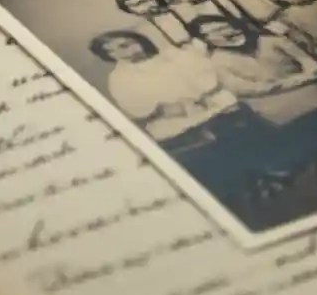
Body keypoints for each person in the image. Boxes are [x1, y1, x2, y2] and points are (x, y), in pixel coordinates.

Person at [190, 15, 317, 182]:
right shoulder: (217, 61)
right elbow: (247, 89)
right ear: (205, 40)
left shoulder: (270, 40)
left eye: (225, 27)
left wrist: (307, 74)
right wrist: (300, 79)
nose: (225, 33)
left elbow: (309, 62)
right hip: (273, 101)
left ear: (237, 25)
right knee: (304, 116)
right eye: (213, 33)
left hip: (311, 87)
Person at [92, 30, 266, 202]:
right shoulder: (119, 78)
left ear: (138, 41)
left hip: (212, 108)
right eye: (111, 50)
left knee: (238, 134)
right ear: (107, 56)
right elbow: (134, 107)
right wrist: (169, 108)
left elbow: (206, 78)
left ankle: (261, 176)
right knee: (211, 160)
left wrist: (200, 97)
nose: (122, 51)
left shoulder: (173, 56)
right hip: (175, 126)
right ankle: (238, 191)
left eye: (126, 44)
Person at [114, 0, 192, 49]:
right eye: (133, 6)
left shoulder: (183, 9)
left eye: (143, 1)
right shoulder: (142, 29)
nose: (142, 7)